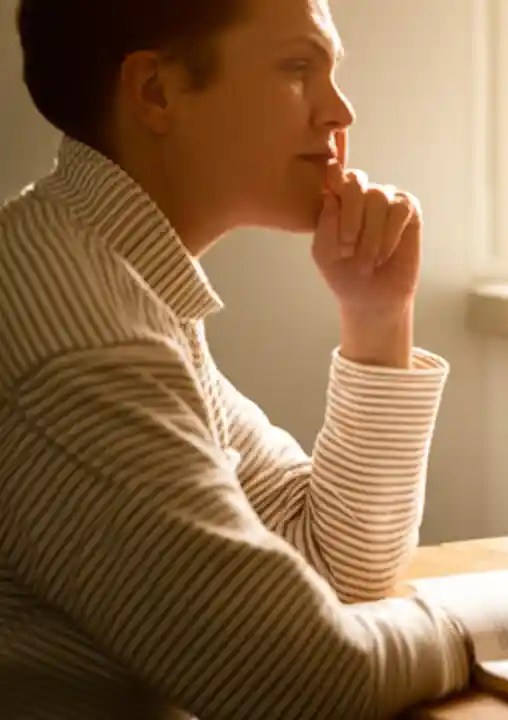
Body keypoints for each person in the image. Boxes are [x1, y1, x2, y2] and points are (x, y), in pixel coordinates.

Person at [0, 0, 474, 717]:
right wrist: (488, 631)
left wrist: (378, 321)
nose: (339, 112)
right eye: (297, 68)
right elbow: (302, 681)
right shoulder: (78, 341)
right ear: (157, 92)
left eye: (331, 72)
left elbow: (338, 565)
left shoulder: (115, 280)